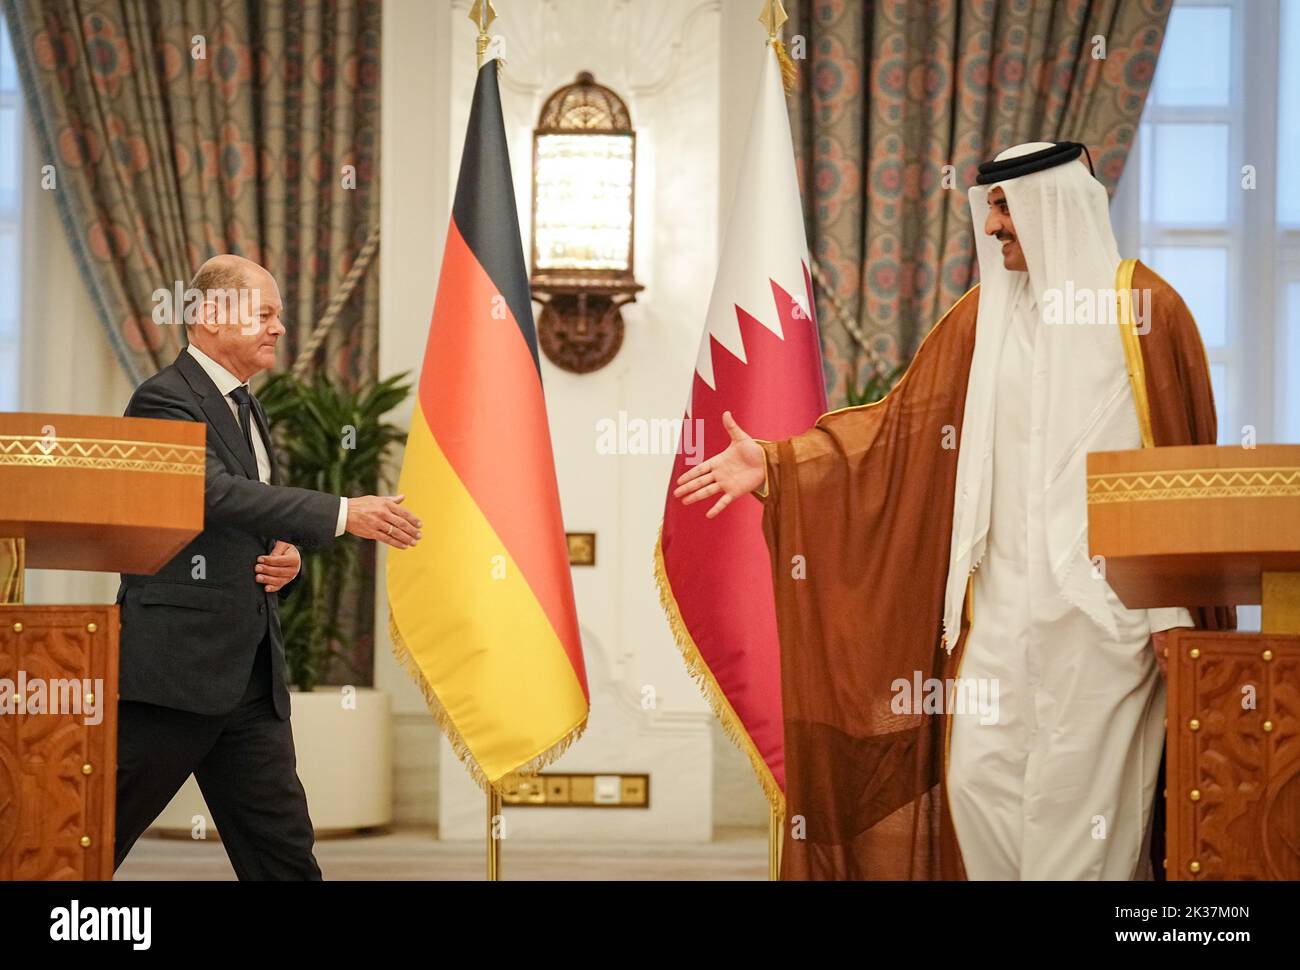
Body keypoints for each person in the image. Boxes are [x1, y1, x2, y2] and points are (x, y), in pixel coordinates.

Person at [674, 142, 1232, 880]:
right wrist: (780, 464)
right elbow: (895, 433)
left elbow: (1178, 473)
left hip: (1107, 632)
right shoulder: (982, 321)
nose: (993, 225)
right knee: (977, 790)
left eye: (1006, 207)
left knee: (1083, 826)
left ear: (1055, 205)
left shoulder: (1145, 313)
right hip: (995, 624)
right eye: (991, 207)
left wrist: (1168, 619)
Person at [113, 254, 422, 879]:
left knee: (282, 849)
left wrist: (283, 550)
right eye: (265, 313)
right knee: (88, 837)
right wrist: (342, 512)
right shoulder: (163, 400)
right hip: (176, 671)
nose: (280, 327)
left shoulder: (247, 404)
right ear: (208, 315)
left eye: (278, 315)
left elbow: (242, 515)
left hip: (251, 676)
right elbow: (210, 493)